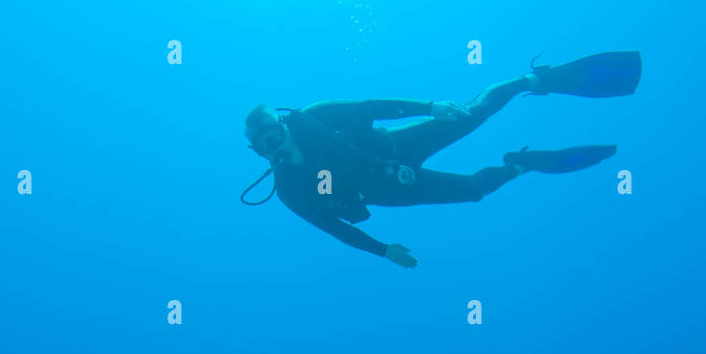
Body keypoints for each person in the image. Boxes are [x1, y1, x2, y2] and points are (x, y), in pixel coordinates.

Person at [242, 52, 642, 268]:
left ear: (281, 124)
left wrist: (429, 107)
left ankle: (534, 80)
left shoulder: (314, 116)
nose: (273, 147)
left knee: (473, 114)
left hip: (397, 148)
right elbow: (332, 228)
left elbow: (373, 106)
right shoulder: (290, 192)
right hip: (389, 190)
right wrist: (383, 251)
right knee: (474, 192)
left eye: (273, 135)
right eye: (263, 147)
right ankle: (521, 164)